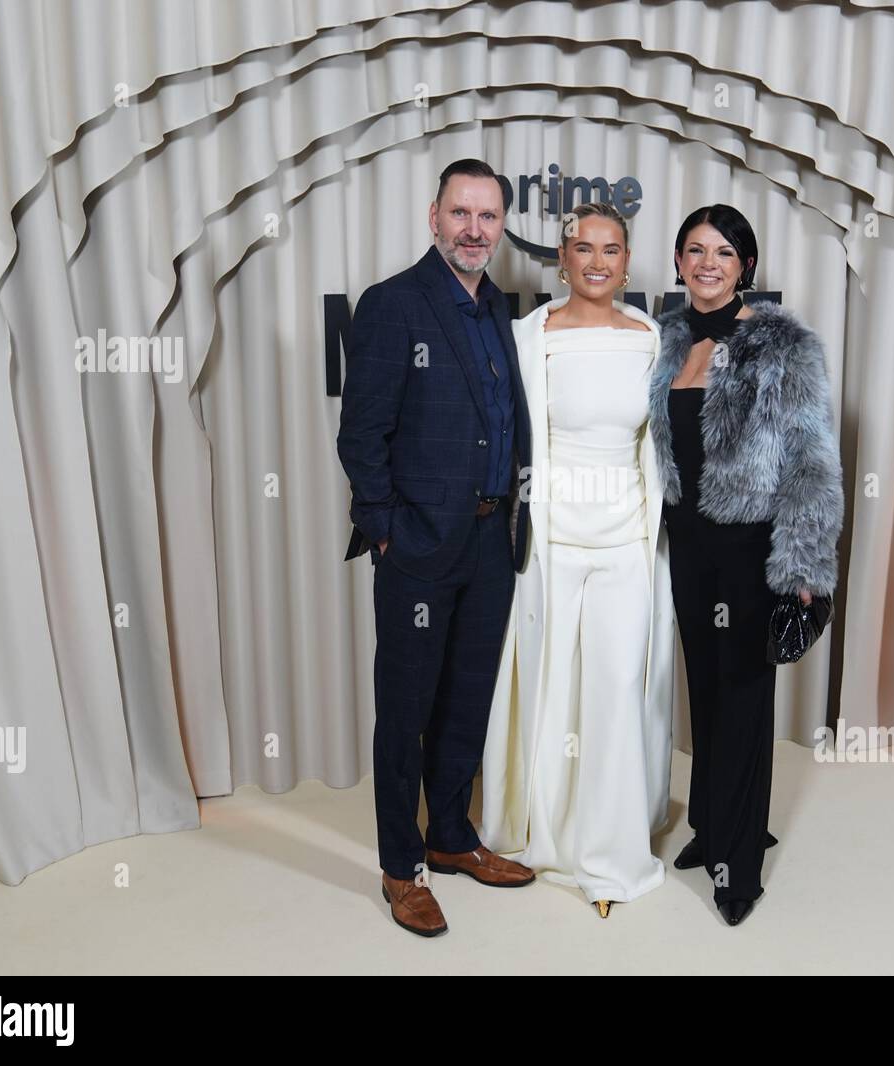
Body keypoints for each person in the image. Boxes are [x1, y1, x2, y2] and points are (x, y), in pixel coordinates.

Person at [336, 159, 538, 938]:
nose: (475, 229)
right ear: (434, 216)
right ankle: (401, 868)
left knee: (467, 698)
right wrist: (388, 528)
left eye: (489, 217)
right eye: (462, 213)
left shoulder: (496, 311)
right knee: (407, 711)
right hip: (419, 544)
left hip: (491, 539)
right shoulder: (393, 304)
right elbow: (362, 434)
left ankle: (451, 837)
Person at [648, 204, 845, 926]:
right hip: (688, 545)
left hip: (751, 544)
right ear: (677, 261)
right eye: (695, 250)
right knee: (705, 687)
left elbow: (812, 460)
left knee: (743, 696)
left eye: (724, 253)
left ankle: (738, 866)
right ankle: (710, 826)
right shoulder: (667, 340)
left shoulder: (783, 345)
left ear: (746, 268)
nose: (707, 263)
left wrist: (804, 564)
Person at [480, 202, 675, 918]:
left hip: (627, 540)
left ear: (628, 261)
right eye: (584, 248)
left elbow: (662, 443)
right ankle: (549, 833)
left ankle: (611, 848)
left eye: (613, 249)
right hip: (553, 539)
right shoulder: (529, 336)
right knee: (553, 686)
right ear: (562, 260)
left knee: (617, 689)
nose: (597, 261)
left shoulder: (652, 337)